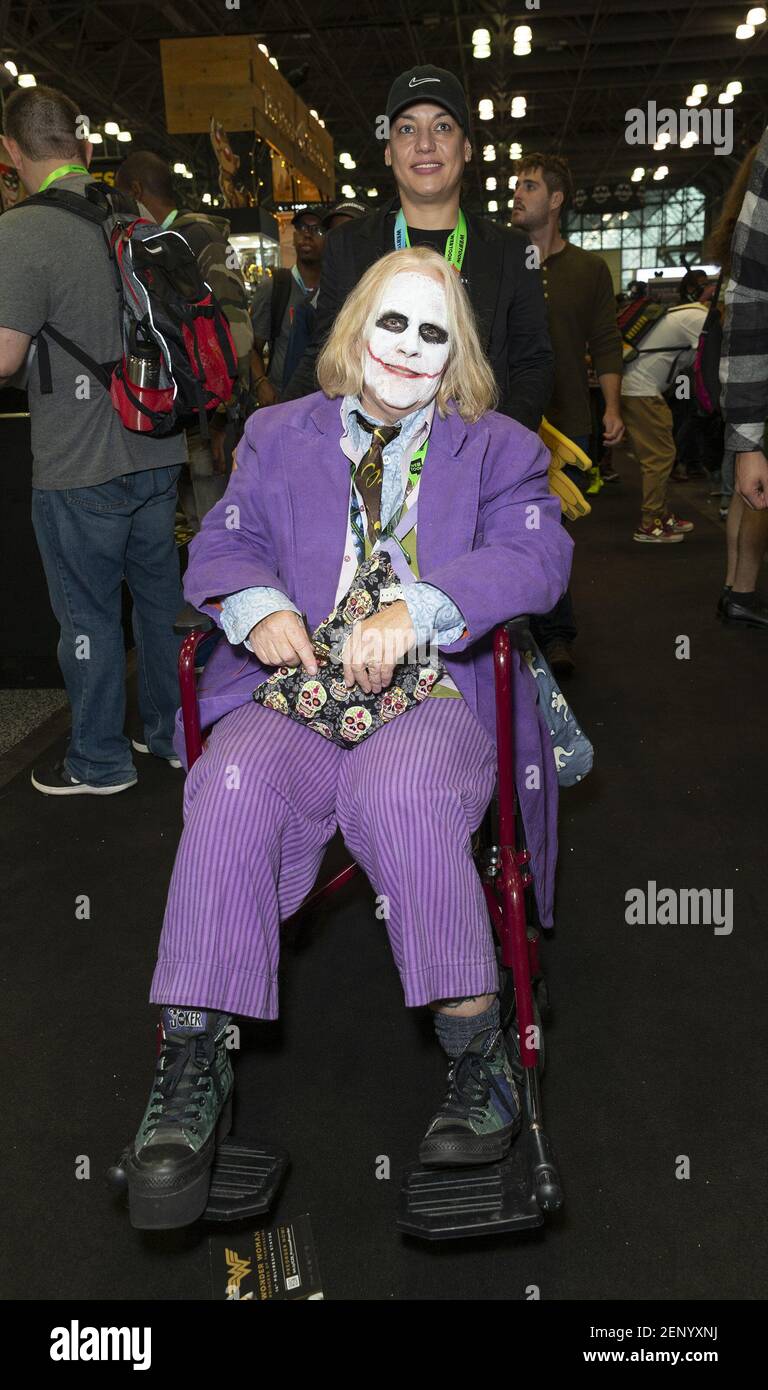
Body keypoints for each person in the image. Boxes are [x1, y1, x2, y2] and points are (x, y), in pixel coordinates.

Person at [120, 245, 572, 1229]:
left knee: (398, 798)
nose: (407, 347)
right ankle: (193, 1062)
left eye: (433, 331)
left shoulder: (496, 445)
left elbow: (537, 555)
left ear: (458, 356)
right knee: (232, 784)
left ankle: (478, 1051)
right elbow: (228, 536)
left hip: (431, 694)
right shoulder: (279, 433)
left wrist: (424, 606)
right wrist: (252, 599)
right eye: (391, 322)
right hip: (299, 689)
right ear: (355, 328)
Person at [0, 86, 185, 794]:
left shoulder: (19, 232)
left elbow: (6, 357)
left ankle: (100, 760)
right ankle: (171, 734)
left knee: (88, 616)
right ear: (81, 143)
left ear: (11, 153)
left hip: (79, 463)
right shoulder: (127, 214)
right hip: (157, 446)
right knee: (159, 610)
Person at [281, 64, 554, 432]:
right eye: (407, 129)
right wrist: (273, 432)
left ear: (468, 147)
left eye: (442, 127)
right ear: (389, 151)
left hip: (472, 462)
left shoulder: (511, 253)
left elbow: (531, 364)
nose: (425, 144)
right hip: (371, 458)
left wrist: (498, 451)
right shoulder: (349, 245)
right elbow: (324, 356)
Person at [512, 153, 624, 673]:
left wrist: (614, 408)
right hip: (510, 419)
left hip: (569, 427)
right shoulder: (501, 260)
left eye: (529, 186)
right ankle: (524, 633)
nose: (518, 194)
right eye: (518, 186)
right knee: (511, 527)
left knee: (550, 532)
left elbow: (606, 343)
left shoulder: (589, 270)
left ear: (556, 201)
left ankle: (553, 636)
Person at [115, 151, 254, 531]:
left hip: (212, 419)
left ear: (136, 190)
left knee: (218, 526)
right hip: (185, 417)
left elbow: (237, 329)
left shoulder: (197, 238)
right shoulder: (158, 245)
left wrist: (224, 414)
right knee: (196, 523)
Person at [718, 126, 768, 627]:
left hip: (741, 362)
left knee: (746, 488)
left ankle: (737, 586)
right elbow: (750, 295)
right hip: (750, 363)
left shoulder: (735, 216)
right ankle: (742, 588)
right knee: (756, 491)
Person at [620, 287, 705, 543]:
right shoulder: (701, 319)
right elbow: (711, 362)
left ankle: (662, 514)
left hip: (638, 387)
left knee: (661, 455)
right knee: (659, 458)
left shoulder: (687, 312)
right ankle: (650, 523)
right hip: (642, 391)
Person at [249, 207, 327, 407]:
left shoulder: (332, 291)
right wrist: (260, 383)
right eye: (301, 228)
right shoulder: (275, 287)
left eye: (316, 229)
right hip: (282, 400)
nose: (307, 235)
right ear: (293, 237)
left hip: (324, 399)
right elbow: (252, 347)